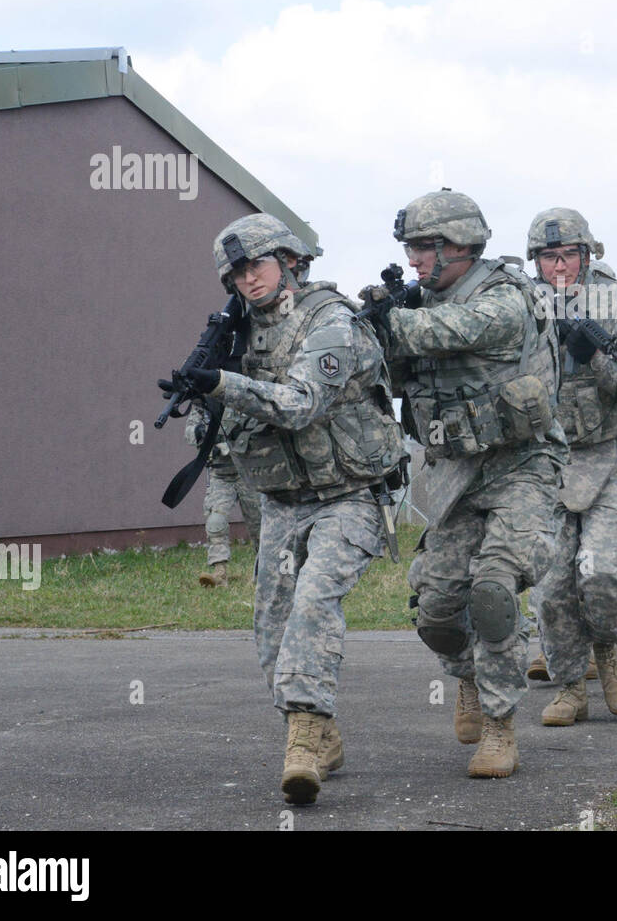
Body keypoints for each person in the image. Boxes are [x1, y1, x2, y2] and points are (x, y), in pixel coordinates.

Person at [164, 212, 405, 805]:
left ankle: (302, 743)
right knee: (270, 630)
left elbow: (300, 405)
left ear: (291, 261)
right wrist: (205, 404)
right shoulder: (240, 330)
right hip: (282, 501)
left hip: (351, 493)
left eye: (258, 264)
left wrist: (221, 383)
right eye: (238, 272)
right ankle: (321, 731)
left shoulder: (331, 320)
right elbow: (229, 423)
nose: (249, 279)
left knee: (313, 603)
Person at [370, 190, 566, 778]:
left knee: (494, 590)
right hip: (452, 472)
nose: (412, 263)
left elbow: (451, 331)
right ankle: (469, 681)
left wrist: (388, 322)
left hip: (521, 465)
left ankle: (501, 728)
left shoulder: (504, 296)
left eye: (420, 250)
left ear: (457, 244)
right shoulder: (421, 303)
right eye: (407, 251)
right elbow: (393, 367)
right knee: (435, 610)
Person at [529, 209, 617, 727]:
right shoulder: (522, 301)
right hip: (545, 460)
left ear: (587, 255)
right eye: (547, 258)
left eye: (568, 257)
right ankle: (567, 687)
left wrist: (595, 355)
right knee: (553, 584)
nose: (558, 268)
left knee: (601, 569)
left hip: (607, 456)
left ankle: (610, 645)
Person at [184, 403, 262, 587]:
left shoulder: (243, 395)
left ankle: (264, 575)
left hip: (249, 472)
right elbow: (189, 431)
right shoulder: (204, 403)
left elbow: (260, 428)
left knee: (262, 527)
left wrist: (234, 443)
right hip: (220, 474)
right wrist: (202, 433)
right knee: (215, 522)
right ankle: (220, 574)